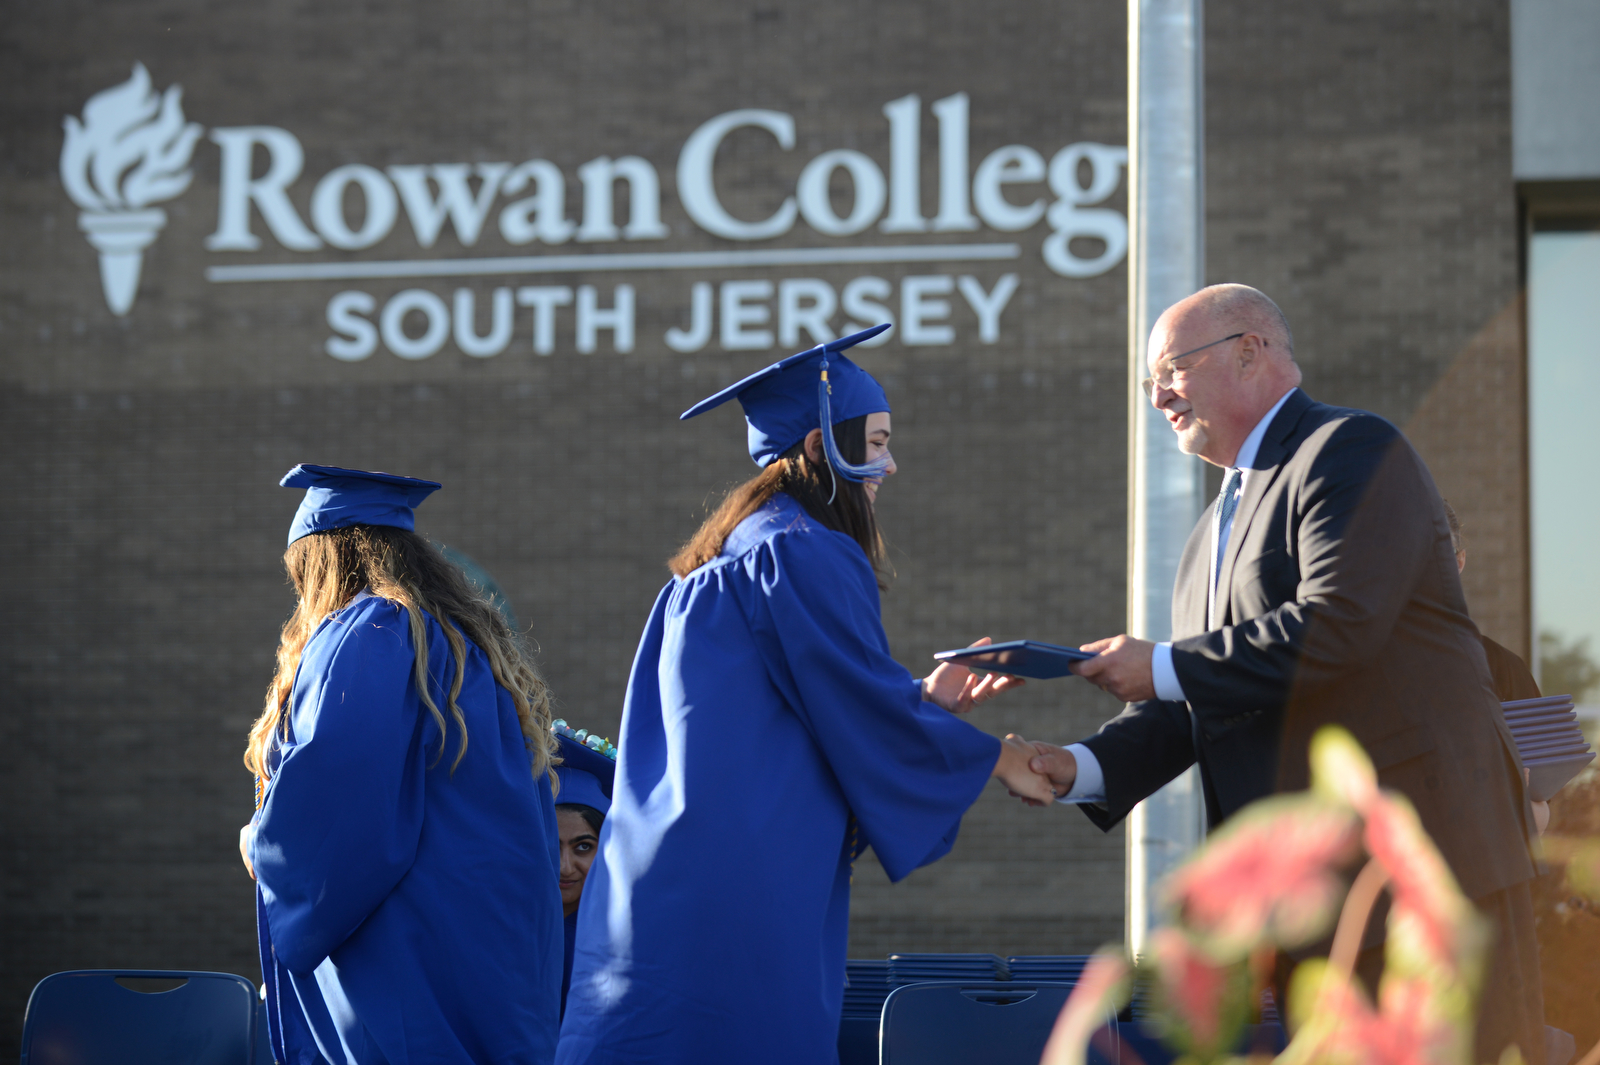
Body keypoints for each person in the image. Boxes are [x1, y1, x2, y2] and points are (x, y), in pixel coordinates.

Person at [1019, 285, 1546, 1062]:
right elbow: (1204, 694)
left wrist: (1160, 664)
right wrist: (1077, 766)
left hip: (1425, 885)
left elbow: (1335, 628)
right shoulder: (1203, 540)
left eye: (1171, 369)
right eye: (1147, 382)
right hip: (1311, 909)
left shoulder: (1351, 449)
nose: (1157, 394)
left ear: (1248, 350)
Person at [555, 326, 1053, 1065]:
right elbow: (855, 702)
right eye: (876, 441)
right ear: (822, 445)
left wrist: (922, 701)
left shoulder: (729, 552)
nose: (889, 463)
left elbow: (793, 714)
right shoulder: (803, 550)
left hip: (672, 876)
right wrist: (993, 759)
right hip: (741, 888)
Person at [241, 465, 564, 1065]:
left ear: (323, 562)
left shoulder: (373, 633)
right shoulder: (473, 649)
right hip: (494, 946)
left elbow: (339, 801)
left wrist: (264, 844)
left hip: (412, 948)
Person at [1442, 498, 1542, 702]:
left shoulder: (1504, 670)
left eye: (1441, 552)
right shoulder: (1367, 662)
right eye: (1415, 552)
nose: (1428, 564)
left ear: (1460, 561)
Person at [551, 721, 617, 1019]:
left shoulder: (625, 936)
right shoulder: (506, 931)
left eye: (583, 847)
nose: (565, 867)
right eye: (552, 847)